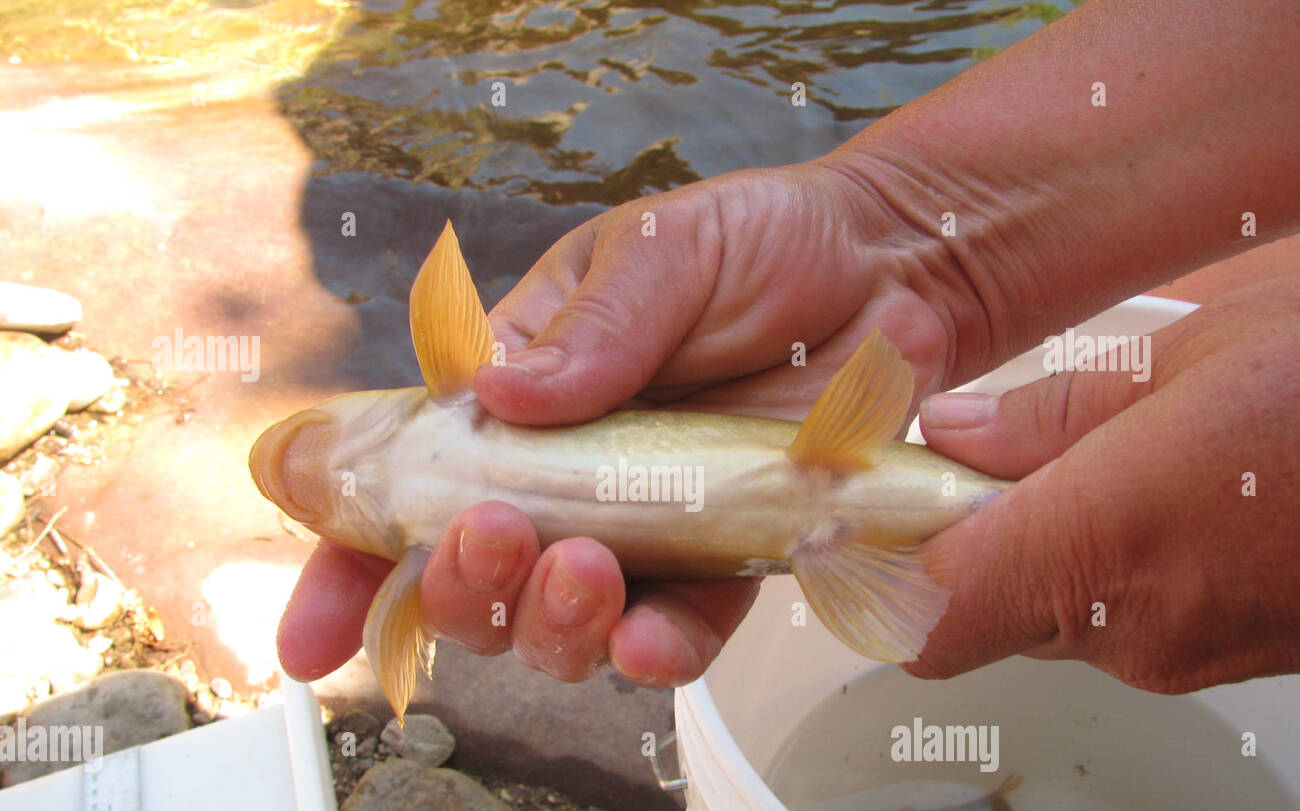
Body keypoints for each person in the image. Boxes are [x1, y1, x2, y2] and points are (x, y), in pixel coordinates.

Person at [278, 0, 1300, 697]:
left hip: (833, 473)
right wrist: (893, 236)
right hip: (832, 465)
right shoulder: (455, 400)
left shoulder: (440, 443)